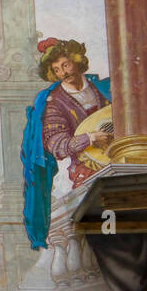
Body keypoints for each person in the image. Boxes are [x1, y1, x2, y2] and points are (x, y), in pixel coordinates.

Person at [21, 37, 112, 250]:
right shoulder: (55, 102)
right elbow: (56, 143)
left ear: (76, 60)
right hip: (83, 166)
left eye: (66, 64)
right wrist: (89, 138)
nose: (63, 72)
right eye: (57, 69)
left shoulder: (103, 87)